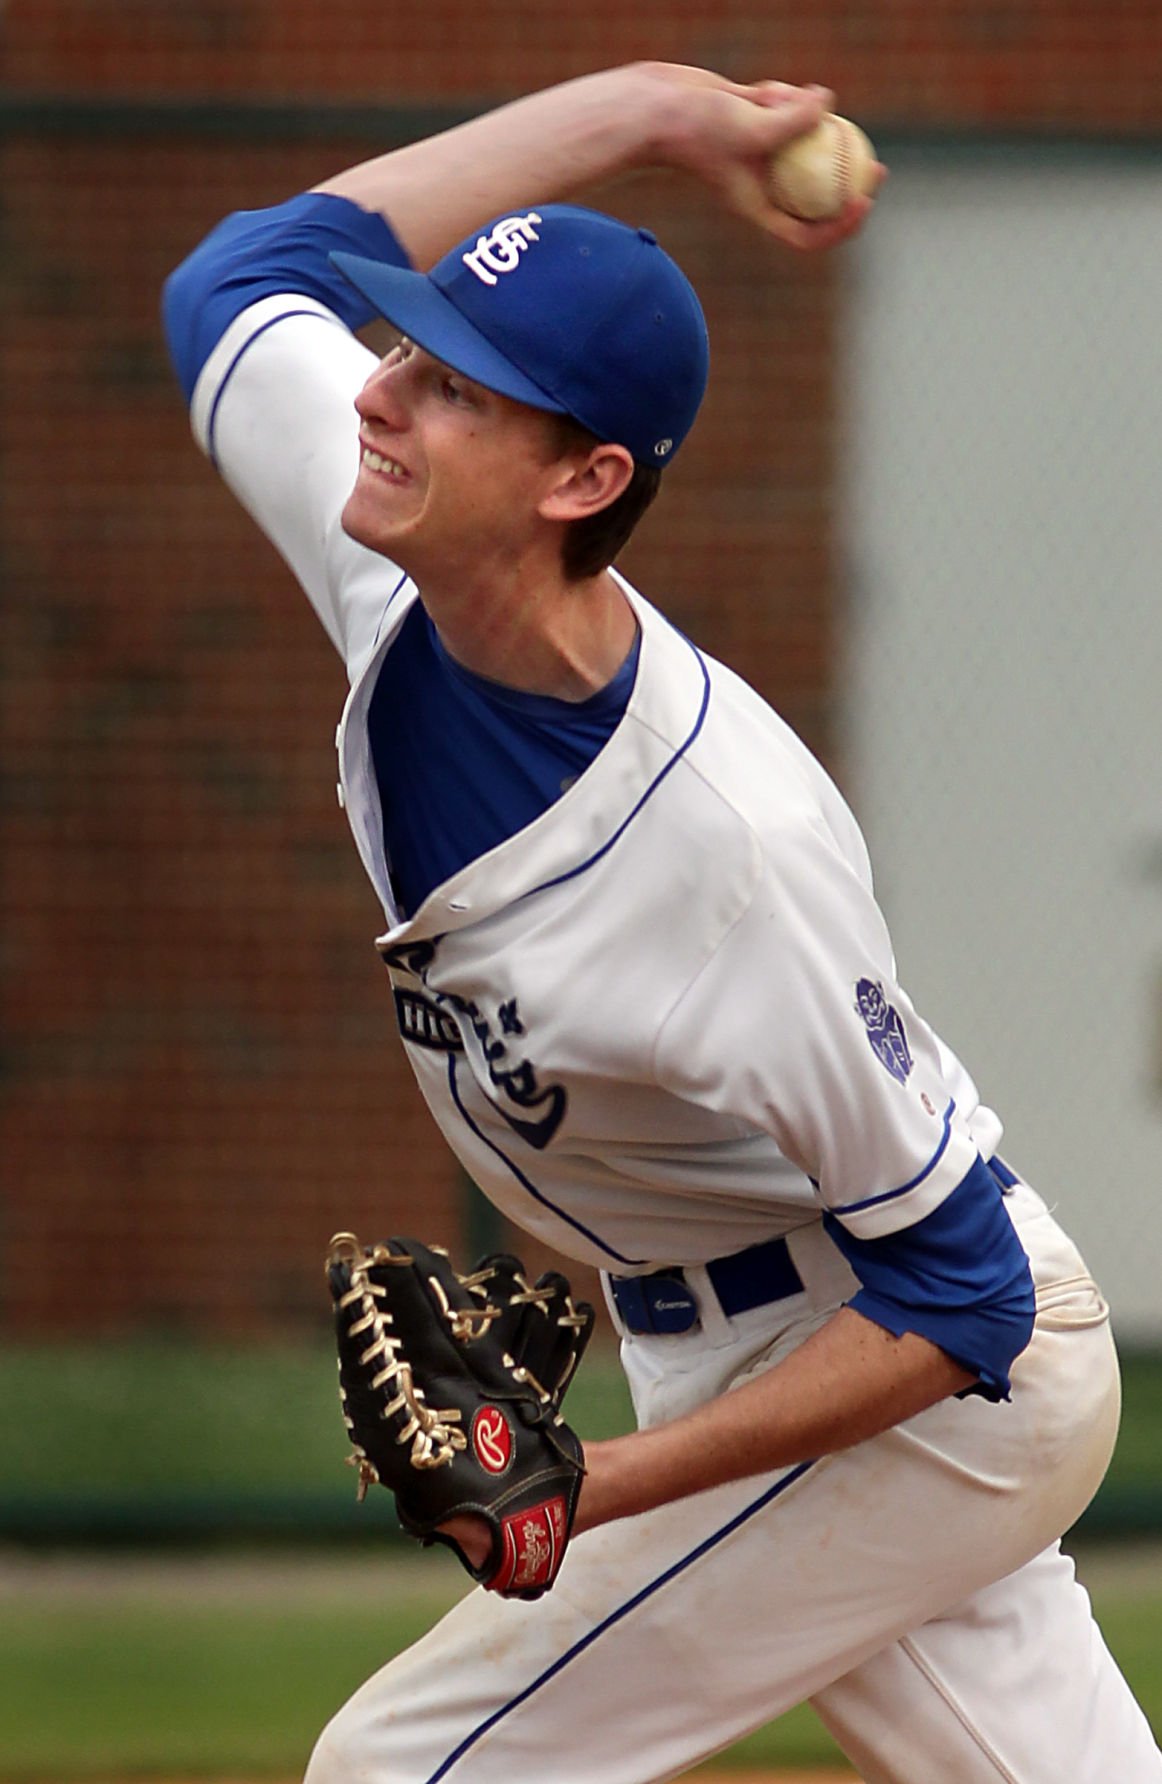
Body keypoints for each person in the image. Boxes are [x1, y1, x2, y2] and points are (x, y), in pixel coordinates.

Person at [163, 60, 1161, 1784]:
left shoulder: (728, 856)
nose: (378, 393)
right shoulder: (396, 552)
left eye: (449, 385)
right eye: (399, 348)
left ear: (580, 480)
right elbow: (242, 274)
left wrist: (580, 1487)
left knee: (404, 1768)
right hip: (740, 1343)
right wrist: (658, 114)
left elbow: (963, 1297)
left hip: (919, 1387)